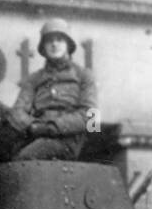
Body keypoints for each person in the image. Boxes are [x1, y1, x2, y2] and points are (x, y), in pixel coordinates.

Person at [8, 18, 98, 161]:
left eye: (60, 40)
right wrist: (33, 126)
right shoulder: (34, 79)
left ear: (68, 45)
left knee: (24, 159)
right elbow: (17, 113)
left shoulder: (84, 75)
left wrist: (54, 127)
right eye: (49, 40)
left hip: (69, 139)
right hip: (37, 135)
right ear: (43, 47)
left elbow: (92, 118)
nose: (54, 44)